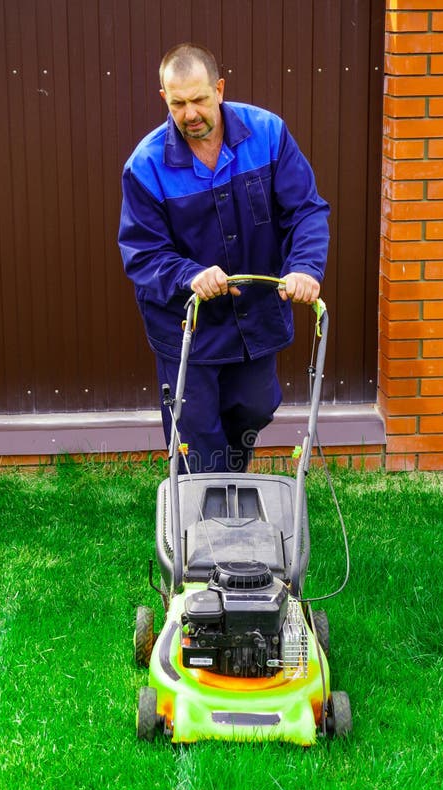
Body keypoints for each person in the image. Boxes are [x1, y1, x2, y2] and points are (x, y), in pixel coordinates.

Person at [119, 43, 329, 473]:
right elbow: (142, 254)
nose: (190, 113)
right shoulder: (145, 165)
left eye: (198, 99)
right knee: (196, 435)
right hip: (187, 327)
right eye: (177, 103)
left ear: (219, 88)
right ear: (165, 99)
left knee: (255, 408)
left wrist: (305, 267)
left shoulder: (268, 134)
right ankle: (205, 519)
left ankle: (229, 483)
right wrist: (191, 275)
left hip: (255, 318)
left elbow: (305, 210)